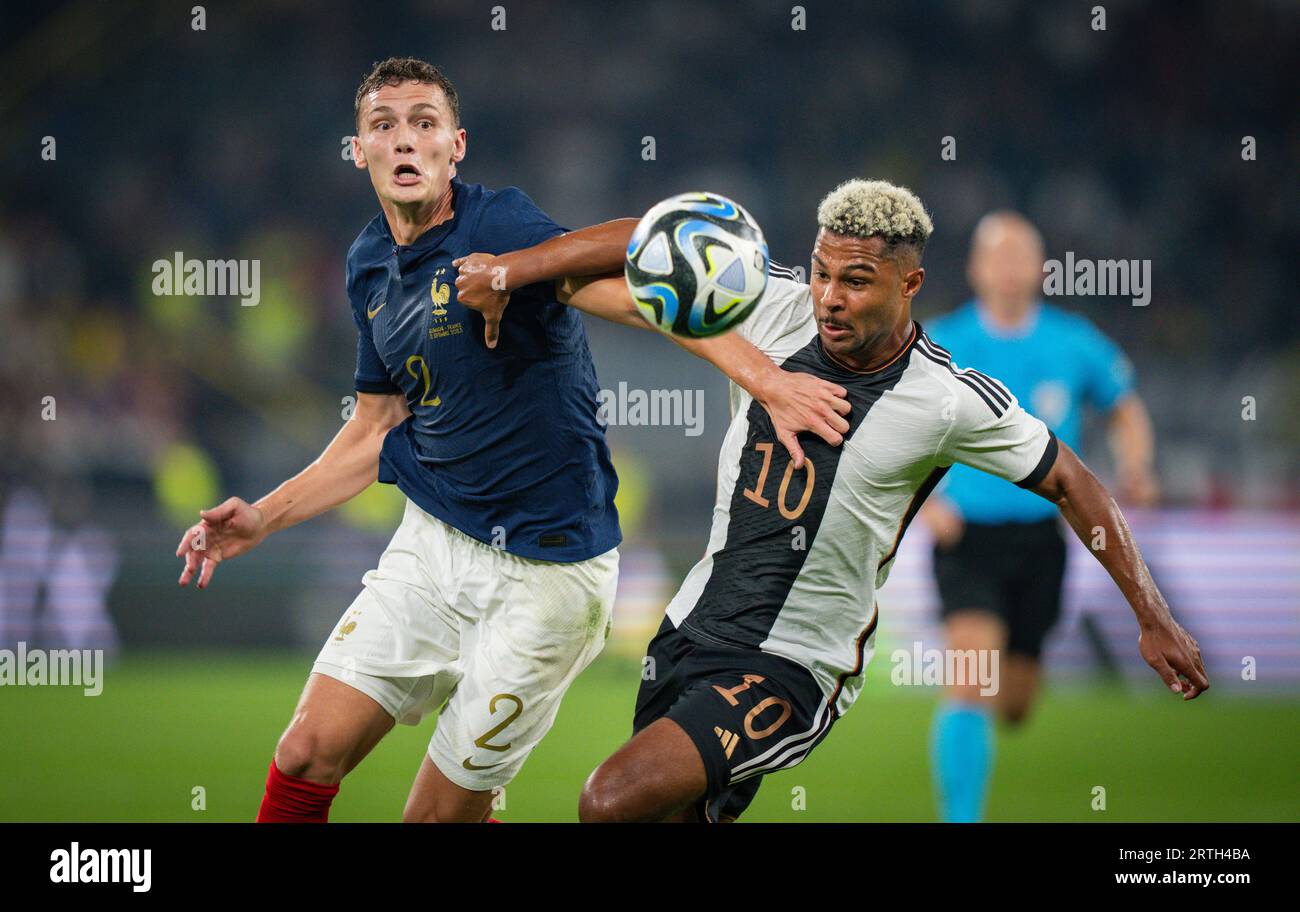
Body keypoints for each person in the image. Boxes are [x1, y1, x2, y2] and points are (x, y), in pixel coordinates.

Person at [173, 57, 848, 823]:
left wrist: (766, 379)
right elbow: (374, 426)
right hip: (432, 549)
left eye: (424, 124)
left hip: (549, 577)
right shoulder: (367, 265)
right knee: (303, 752)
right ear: (357, 150)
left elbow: (643, 267)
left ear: (455, 145)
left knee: (433, 820)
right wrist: (264, 516)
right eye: (382, 126)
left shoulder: (497, 226)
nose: (404, 141)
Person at [500, 179, 1204, 823]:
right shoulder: (770, 303)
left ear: (911, 284)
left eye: (857, 281)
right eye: (822, 273)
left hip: (793, 665)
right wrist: (518, 274)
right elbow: (643, 265)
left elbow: (1073, 480)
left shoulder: (950, 400)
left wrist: (1153, 616)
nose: (830, 297)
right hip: (690, 626)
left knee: (608, 801)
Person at [921, 211, 1159, 823]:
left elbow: (1125, 408)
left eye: (1018, 257)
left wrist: (1136, 466)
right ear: (974, 269)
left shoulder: (1073, 342)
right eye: (995, 257)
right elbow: (900, 433)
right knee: (970, 676)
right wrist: (928, 504)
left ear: (1040, 269)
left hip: (1041, 542)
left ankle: (987, 715)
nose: (1006, 269)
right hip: (965, 539)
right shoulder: (941, 342)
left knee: (1017, 703)